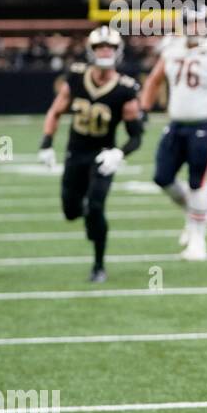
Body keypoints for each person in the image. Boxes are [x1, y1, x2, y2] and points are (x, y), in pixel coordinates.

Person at [38, 27, 144, 282]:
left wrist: (118, 153)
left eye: (110, 47)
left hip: (102, 156)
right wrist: (47, 143)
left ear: (118, 51)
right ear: (91, 51)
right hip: (75, 153)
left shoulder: (125, 88)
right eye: (100, 47)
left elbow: (136, 136)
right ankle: (87, 217)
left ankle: (98, 265)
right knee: (70, 211)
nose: (105, 51)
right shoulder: (76, 76)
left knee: (96, 207)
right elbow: (55, 111)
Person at [138, 7, 207, 261]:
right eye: (191, 23)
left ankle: (198, 238)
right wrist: (144, 109)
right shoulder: (172, 47)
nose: (196, 28)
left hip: (206, 123)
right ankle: (196, 214)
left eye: (200, 23)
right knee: (162, 177)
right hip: (176, 123)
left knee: (197, 182)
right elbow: (153, 80)